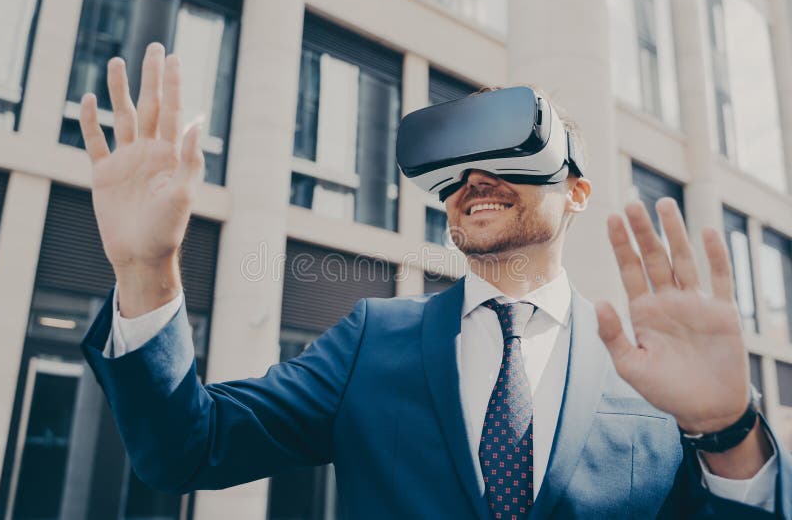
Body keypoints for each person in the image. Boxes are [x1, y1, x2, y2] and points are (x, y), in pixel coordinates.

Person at [78, 43, 791, 519]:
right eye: (454, 168)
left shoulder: (651, 370)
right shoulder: (371, 339)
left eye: (506, 152)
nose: (472, 180)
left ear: (575, 191)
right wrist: (145, 272)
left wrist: (727, 433)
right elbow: (185, 449)